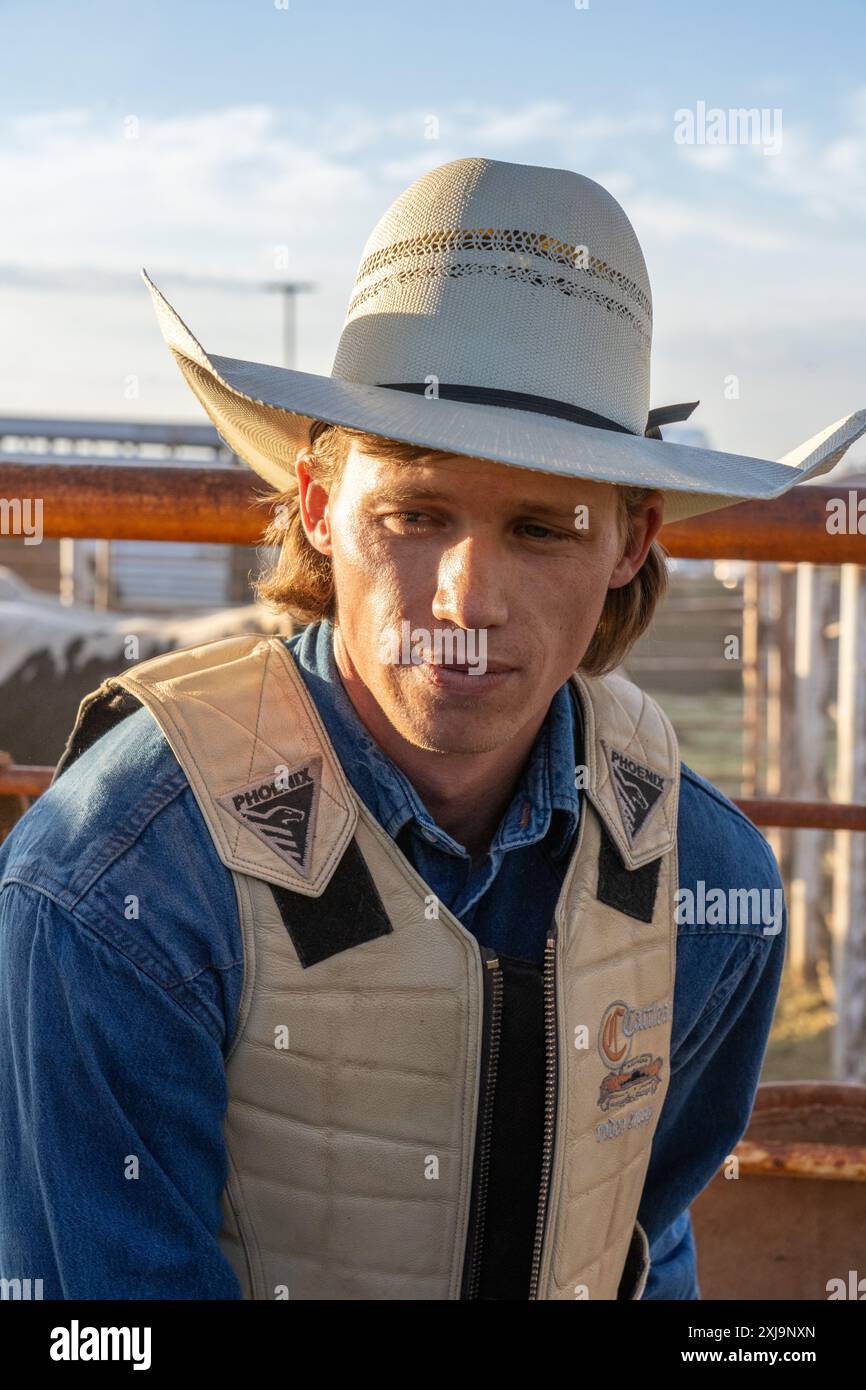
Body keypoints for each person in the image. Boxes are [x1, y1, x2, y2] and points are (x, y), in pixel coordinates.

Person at [1, 157, 863, 1301]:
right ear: (319, 505)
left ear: (629, 539)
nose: (466, 599)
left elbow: (640, 1241)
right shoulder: (118, 883)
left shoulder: (698, 878)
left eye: (540, 529)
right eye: (413, 513)